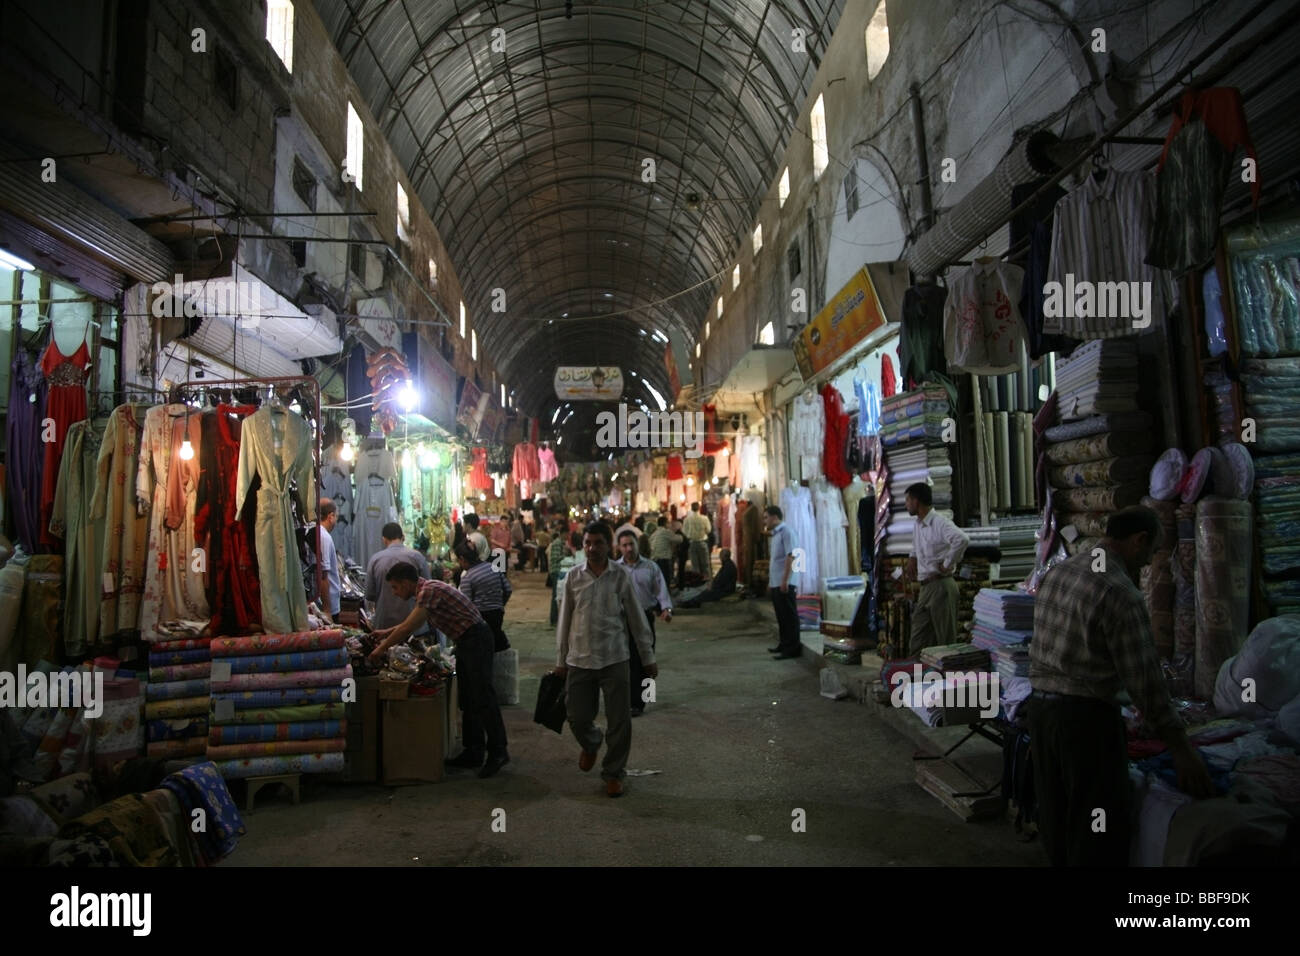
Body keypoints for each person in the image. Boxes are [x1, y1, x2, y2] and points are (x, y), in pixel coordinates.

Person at [1029, 506, 1215, 866]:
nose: (1146, 564)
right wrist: (1180, 748)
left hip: (1040, 712)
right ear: (1138, 541)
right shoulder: (1119, 591)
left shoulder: (1060, 571)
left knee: (1056, 816)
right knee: (1095, 826)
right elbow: (1145, 681)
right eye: (1149, 553)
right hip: (1083, 721)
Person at [368, 564, 509, 778]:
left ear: (406, 583)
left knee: (483, 697)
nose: (395, 593)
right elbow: (408, 623)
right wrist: (384, 633)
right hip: (466, 641)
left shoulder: (429, 591)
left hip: (476, 640)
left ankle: (499, 752)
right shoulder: (426, 592)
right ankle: (474, 751)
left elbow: (408, 628)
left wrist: (379, 650)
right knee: (469, 699)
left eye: (395, 587)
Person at [555, 521, 657, 797]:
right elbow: (564, 621)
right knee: (576, 716)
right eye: (587, 543)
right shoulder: (573, 578)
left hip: (614, 657)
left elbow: (637, 618)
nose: (592, 548)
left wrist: (647, 656)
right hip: (580, 658)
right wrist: (561, 659)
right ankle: (591, 743)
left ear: (608, 545)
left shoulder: (620, 576)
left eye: (598, 543)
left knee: (620, 720)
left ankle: (613, 773)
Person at [902, 482, 970, 656]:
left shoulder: (939, 523)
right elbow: (916, 546)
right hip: (926, 587)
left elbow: (961, 539)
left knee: (945, 639)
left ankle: (948, 680)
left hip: (941, 585)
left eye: (908, 500)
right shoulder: (918, 524)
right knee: (919, 636)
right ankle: (919, 677)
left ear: (917, 501)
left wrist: (947, 564)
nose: (906, 504)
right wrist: (912, 558)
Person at [614, 529, 672, 717]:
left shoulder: (650, 567)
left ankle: (648, 698)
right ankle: (633, 702)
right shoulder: (615, 569)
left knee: (648, 658)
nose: (629, 548)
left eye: (631, 544)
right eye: (625, 545)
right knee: (629, 660)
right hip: (623, 620)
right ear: (619, 548)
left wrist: (666, 609)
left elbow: (660, 590)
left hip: (645, 618)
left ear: (637, 544)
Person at [365, 522, 431, 634]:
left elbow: (370, 595)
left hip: (384, 625)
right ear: (403, 537)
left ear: (384, 540)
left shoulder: (375, 559)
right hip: (414, 626)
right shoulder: (417, 557)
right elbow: (428, 589)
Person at [457, 541, 512, 652]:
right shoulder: (493, 567)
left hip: (481, 617)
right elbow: (508, 589)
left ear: (462, 559)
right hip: (498, 613)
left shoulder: (467, 578)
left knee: (483, 648)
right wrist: (500, 604)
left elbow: (467, 605)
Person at [764, 506, 801, 659]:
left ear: (774, 517)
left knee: (789, 615)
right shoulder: (776, 534)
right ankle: (784, 643)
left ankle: (792, 648)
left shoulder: (787, 532)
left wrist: (785, 580)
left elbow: (791, 556)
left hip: (785, 581)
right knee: (781, 615)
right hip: (777, 581)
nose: (764, 520)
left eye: (766, 517)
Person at [317, 499, 341, 621]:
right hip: (327, 605)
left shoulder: (318, 533)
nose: (336, 521)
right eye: (336, 516)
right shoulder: (323, 536)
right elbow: (323, 575)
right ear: (330, 516)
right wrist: (327, 611)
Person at [683, 501, 712, 578]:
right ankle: (706, 582)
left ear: (691, 509)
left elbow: (684, 532)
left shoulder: (687, 519)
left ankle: (697, 582)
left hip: (692, 543)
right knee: (705, 564)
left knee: (695, 565)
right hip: (702, 542)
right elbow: (708, 530)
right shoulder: (704, 518)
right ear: (699, 508)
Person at [648, 515, 678, 588]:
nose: (669, 524)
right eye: (668, 523)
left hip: (654, 559)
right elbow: (678, 539)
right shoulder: (665, 532)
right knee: (665, 579)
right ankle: (666, 596)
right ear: (665, 523)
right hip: (664, 559)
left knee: (658, 580)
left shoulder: (654, 533)